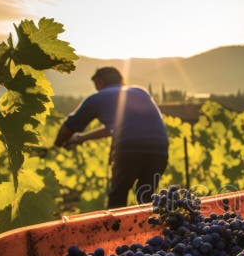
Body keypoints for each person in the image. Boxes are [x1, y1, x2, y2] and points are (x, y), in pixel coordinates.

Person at [54, 67, 169, 208]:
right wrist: (81, 138)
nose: (96, 89)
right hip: (160, 149)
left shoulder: (97, 98)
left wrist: (57, 145)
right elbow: (113, 128)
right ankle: (148, 228)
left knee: (118, 196)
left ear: (100, 82)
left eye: (95, 85)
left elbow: (69, 126)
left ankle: (116, 229)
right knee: (146, 197)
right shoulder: (140, 92)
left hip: (129, 149)